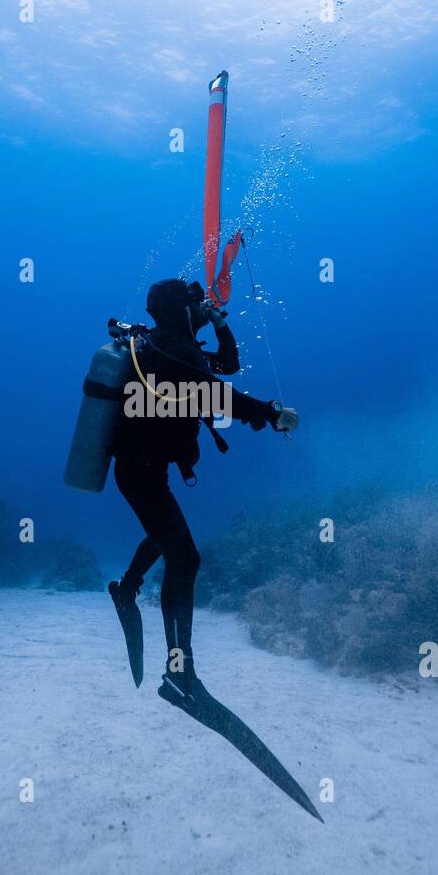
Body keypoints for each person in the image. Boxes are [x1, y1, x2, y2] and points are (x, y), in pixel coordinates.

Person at [108, 277, 298, 706]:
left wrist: (218, 322)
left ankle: (126, 589)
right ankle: (180, 671)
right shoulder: (177, 351)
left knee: (166, 533)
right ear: (180, 308)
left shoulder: (164, 345)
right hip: (141, 471)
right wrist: (271, 413)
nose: (200, 308)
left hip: (142, 469)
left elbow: (227, 365)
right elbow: (218, 394)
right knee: (185, 556)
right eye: (194, 303)